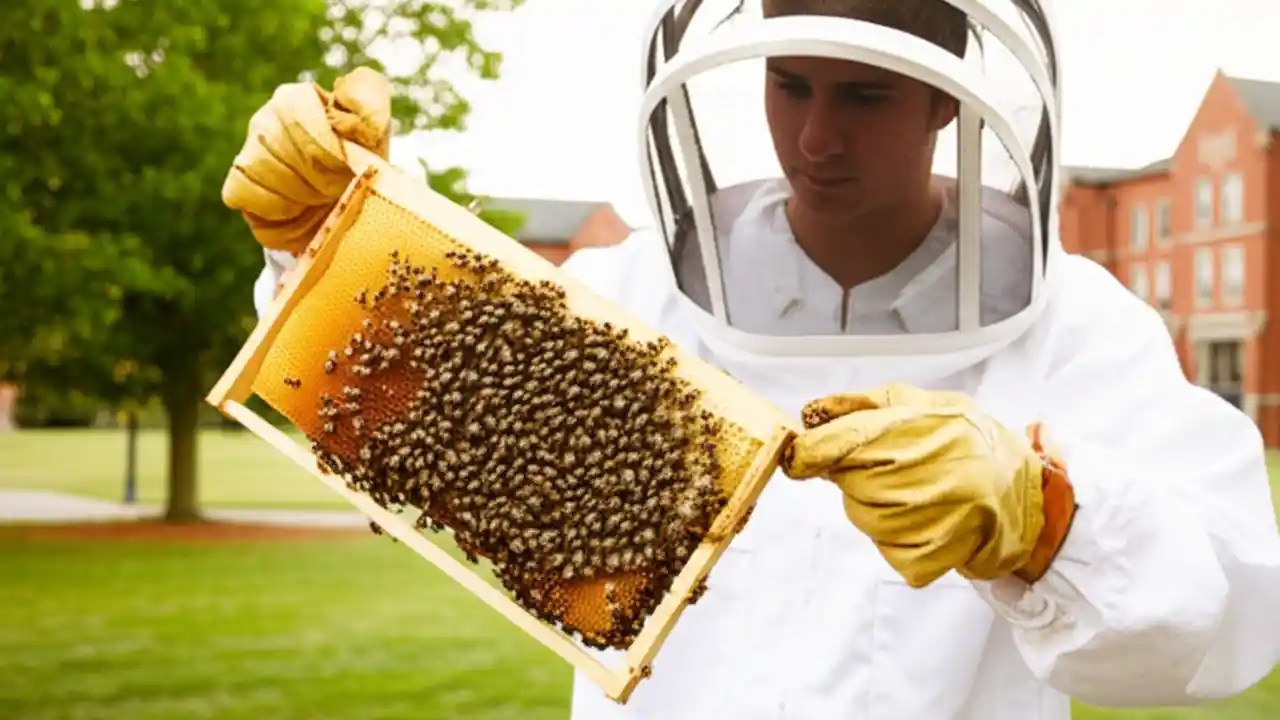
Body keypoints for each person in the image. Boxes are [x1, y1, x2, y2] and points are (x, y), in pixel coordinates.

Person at [222, 0, 1280, 717]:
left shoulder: (1073, 327)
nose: (815, 138)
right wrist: (321, 238)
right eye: (789, 85)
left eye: (862, 96)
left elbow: (1229, 626)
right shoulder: (632, 293)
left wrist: (1047, 516)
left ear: (945, 99)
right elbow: (414, 410)